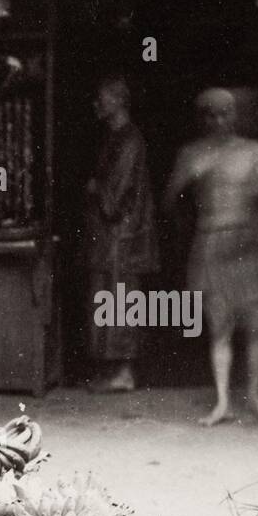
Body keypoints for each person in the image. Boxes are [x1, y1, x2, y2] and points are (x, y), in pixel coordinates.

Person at [164, 88, 258, 426]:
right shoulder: (192, 154)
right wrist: (194, 221)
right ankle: (223, 401)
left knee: (256, 324)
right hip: (211, 241)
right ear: (202, 119)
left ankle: (254, 394)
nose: (217, 120)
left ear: (234, 115)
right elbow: (169, 200)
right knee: (220, 327)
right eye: (210, 115)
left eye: (224, 113)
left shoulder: (254, 152)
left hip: (247, 244)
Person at [84, 76, 159, 393]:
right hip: (110, 235)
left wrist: (95, 188)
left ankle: (124, 371)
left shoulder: (130, 141)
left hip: (122, 235)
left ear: (118, 100)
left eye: (101, 97)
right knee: (110, 297)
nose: (96, 104)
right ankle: (114, 369)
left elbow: (118, 190)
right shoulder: (114, 137)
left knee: (120, 298)